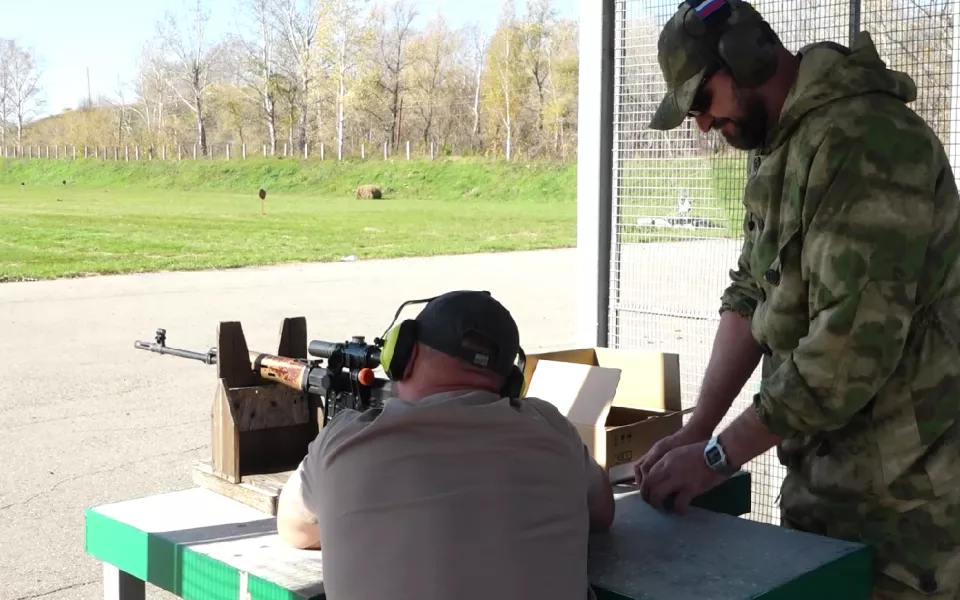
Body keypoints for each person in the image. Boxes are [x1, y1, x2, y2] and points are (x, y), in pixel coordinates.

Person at [635, 0, 960, 598]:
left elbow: (849, 349)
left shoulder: (869, 141)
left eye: (702, 101)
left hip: (909, 518)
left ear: (748, 59)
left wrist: (716, 457)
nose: (701, 124)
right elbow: (752, 293)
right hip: (825, 490)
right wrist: (697, 430)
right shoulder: (781, 144)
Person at [275, 290, 616, 600]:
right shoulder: (552, 429)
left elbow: (294, 529)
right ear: (512, 383)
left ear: (403, 355)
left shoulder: (342, 442)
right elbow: (602, 509)